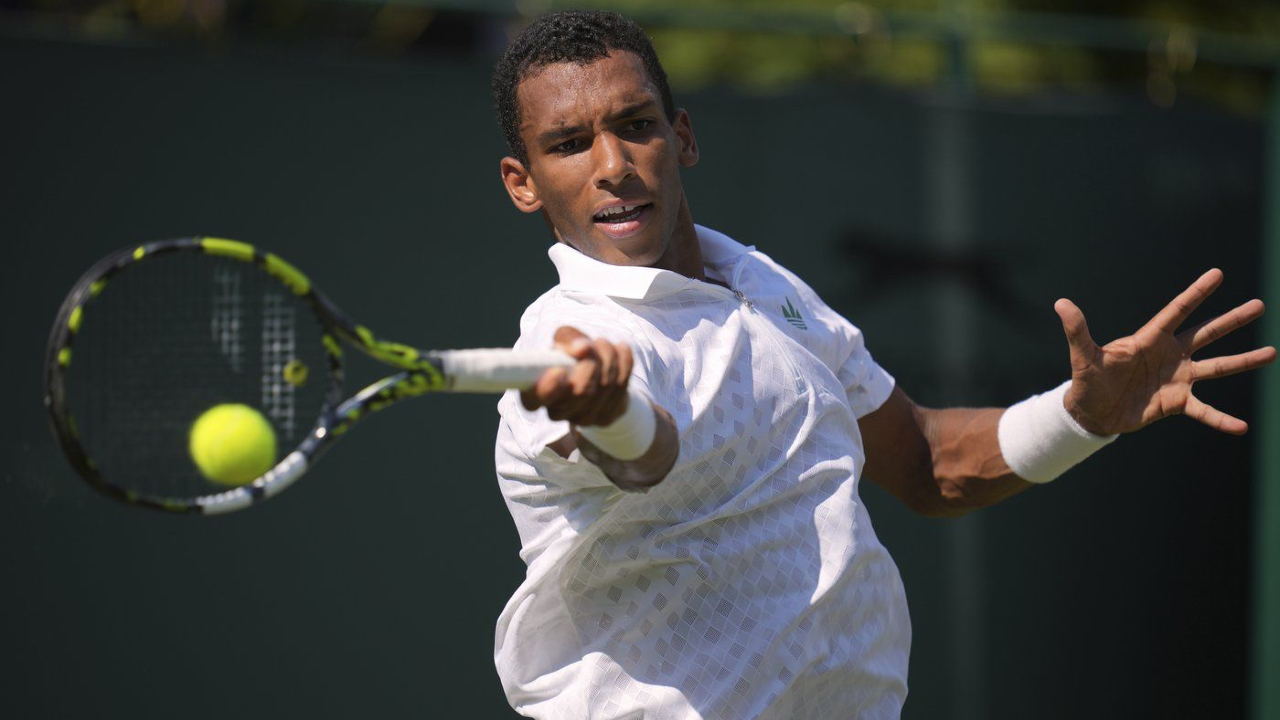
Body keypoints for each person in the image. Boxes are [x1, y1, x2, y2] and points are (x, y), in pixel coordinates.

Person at [488, 10, 1274, 720]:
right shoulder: (568, 341)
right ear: (523, 183)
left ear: (682, 136)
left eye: (635, 125)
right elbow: (645, 455)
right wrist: (609, 412)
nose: (613, 164)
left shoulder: (757, 282)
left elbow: (930, 461)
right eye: (567, 144)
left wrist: (1080, 419)